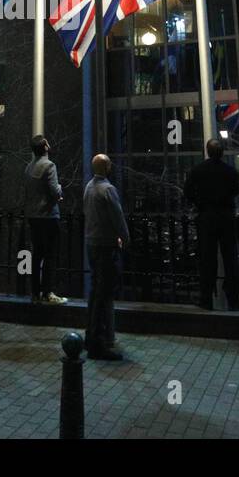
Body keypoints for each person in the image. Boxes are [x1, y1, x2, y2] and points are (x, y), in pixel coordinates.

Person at [184, 138, 239, 311]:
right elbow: (235, 191)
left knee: (206, 258)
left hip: (207, 216)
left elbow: (187, 192)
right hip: (226, 216)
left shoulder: (198, 170)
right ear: (222, 152)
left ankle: (206, 298)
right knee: (230, 259)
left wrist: (200, 203)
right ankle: (233, 299)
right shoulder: (230, 171)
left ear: (207, 152)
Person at [82, 153, 129, 361]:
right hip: (106, 245)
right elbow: (118, 218)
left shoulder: (89, 187)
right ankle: (98, 342)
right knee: (104, 293)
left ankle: (91, 335)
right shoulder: (107, 190)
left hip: (92, 243)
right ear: (106, 167)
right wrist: (125, 239)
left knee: (96, 291)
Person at [25, 135, 67, 304]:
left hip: (33, 216)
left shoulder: (29, 167)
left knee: (37, 255)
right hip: (48, 216)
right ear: (45, 148)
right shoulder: (49, 165)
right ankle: (48, 292)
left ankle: (35, 293)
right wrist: (60, 190)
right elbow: (55, 191)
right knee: (50, 255)